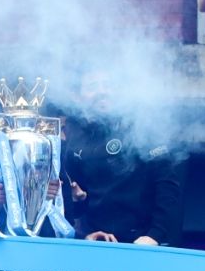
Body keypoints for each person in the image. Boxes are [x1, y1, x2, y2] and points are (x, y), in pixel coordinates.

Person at [64, 70, 183, 247]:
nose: (103, 91)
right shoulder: (74, 138)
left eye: (109, 85)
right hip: (95, 247)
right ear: (77, 97)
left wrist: (154, 236)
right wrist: (86, 235)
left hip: (142, 245)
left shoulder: (144, 128)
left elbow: (168, 192)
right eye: (92, 87)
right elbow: (74, 207)